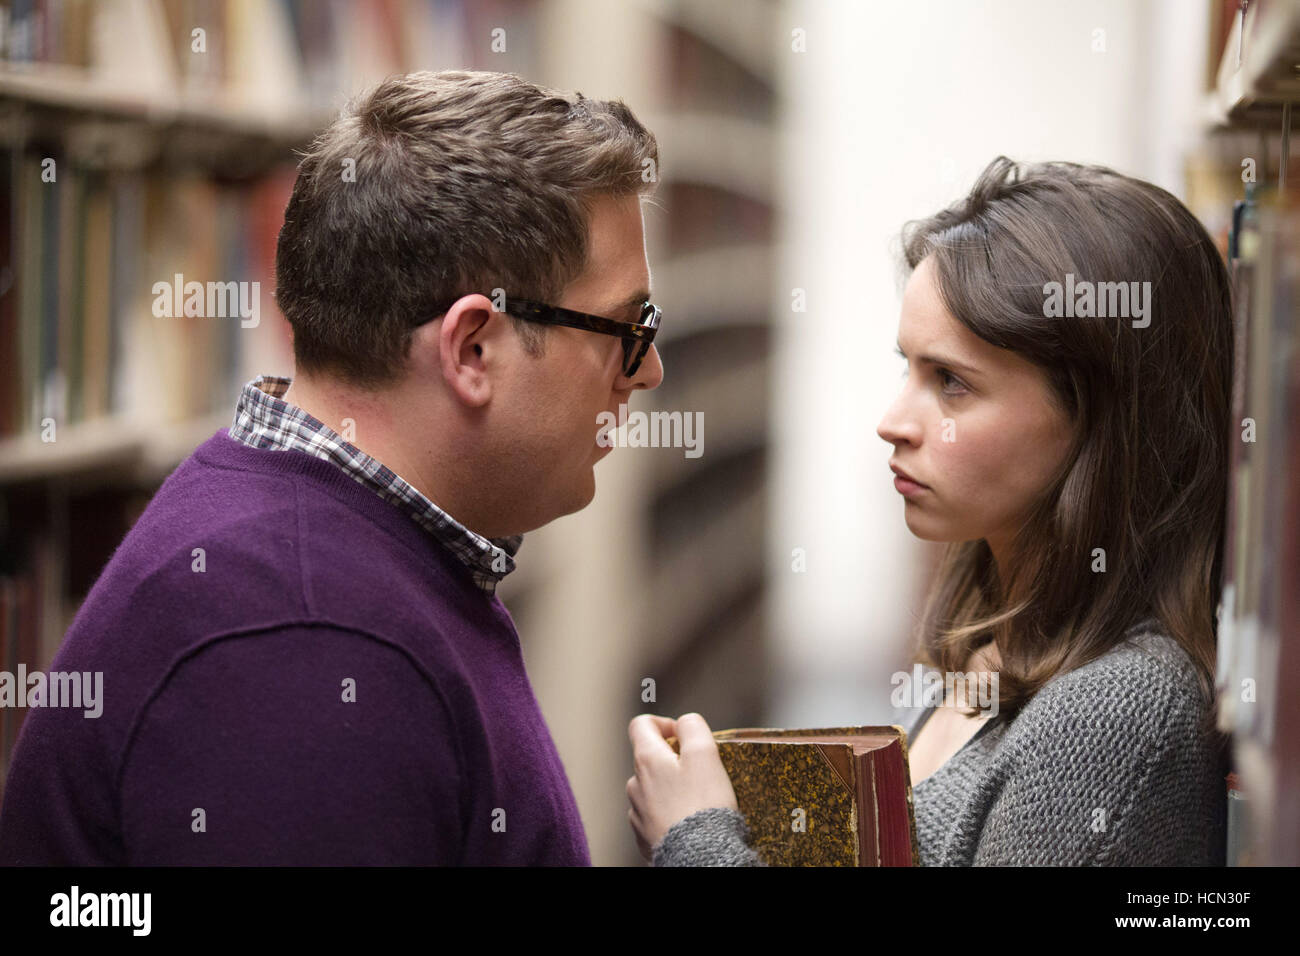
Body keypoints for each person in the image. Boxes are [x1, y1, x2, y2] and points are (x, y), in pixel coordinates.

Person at [0, 70, 664, 865]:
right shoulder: (305, 641)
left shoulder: (329, 565)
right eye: (628, 330)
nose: (649, 372)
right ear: (472, 349)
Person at [628, 156, 1232, 866]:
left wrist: (697, 839)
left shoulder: (1114, 718)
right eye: (908, 367)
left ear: (1098, 418)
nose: (893, 423)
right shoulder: (993, 632)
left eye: (951, 382)